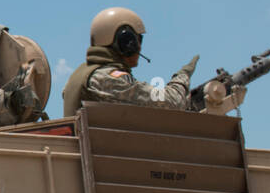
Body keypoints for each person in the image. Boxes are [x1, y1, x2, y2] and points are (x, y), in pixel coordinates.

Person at [61, 7, 199, 116]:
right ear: (127, 42)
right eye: (137, 40)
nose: (139, 47)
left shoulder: (83, 74)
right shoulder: (107, 79)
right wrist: (182, 77)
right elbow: (172, 103)